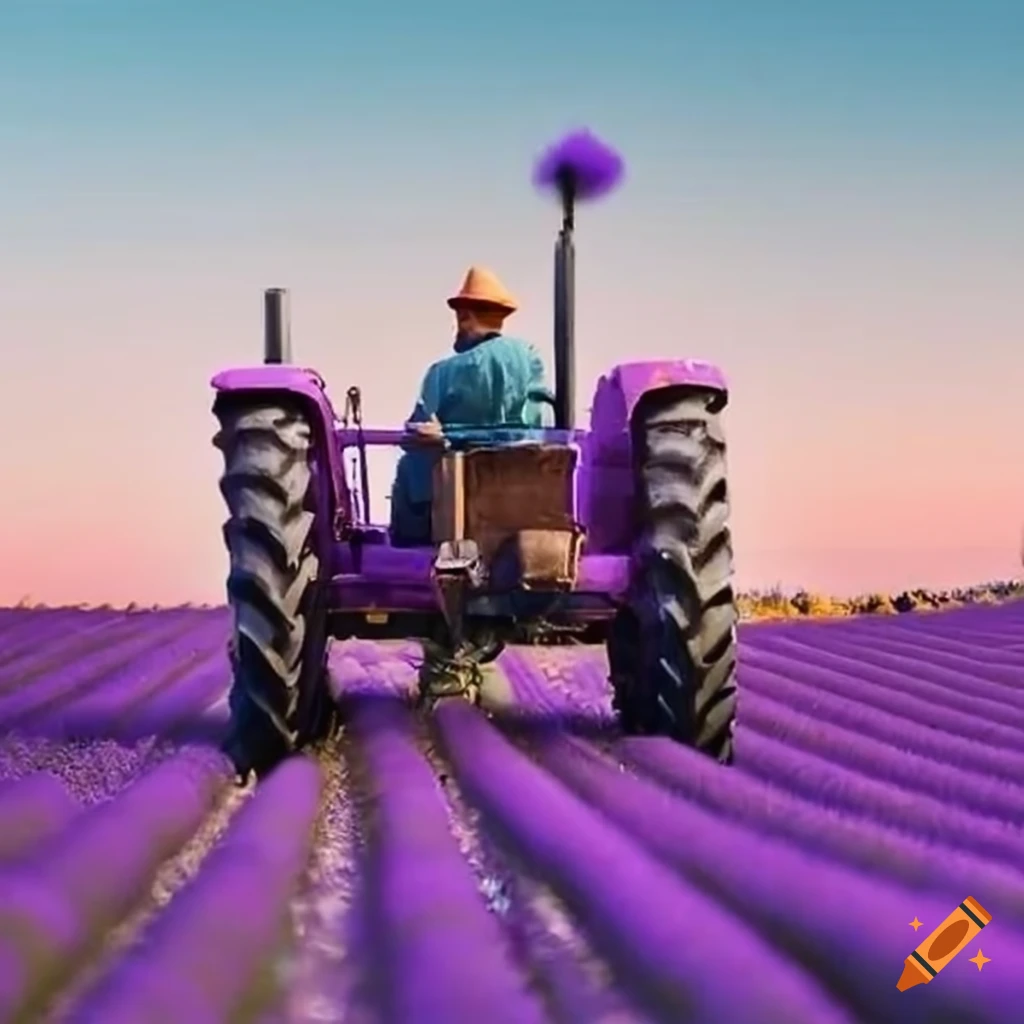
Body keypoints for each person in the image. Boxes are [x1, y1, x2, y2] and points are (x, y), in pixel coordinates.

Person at [389, 266, 554, 546]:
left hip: (451, 512)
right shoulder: (529, 357)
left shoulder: (441, 373)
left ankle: (408, 545)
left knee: (411, 464)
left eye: (458, 320)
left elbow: (417, 434)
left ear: (466, 317)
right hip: (525, 507)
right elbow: (542, 425)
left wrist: (448, 437)